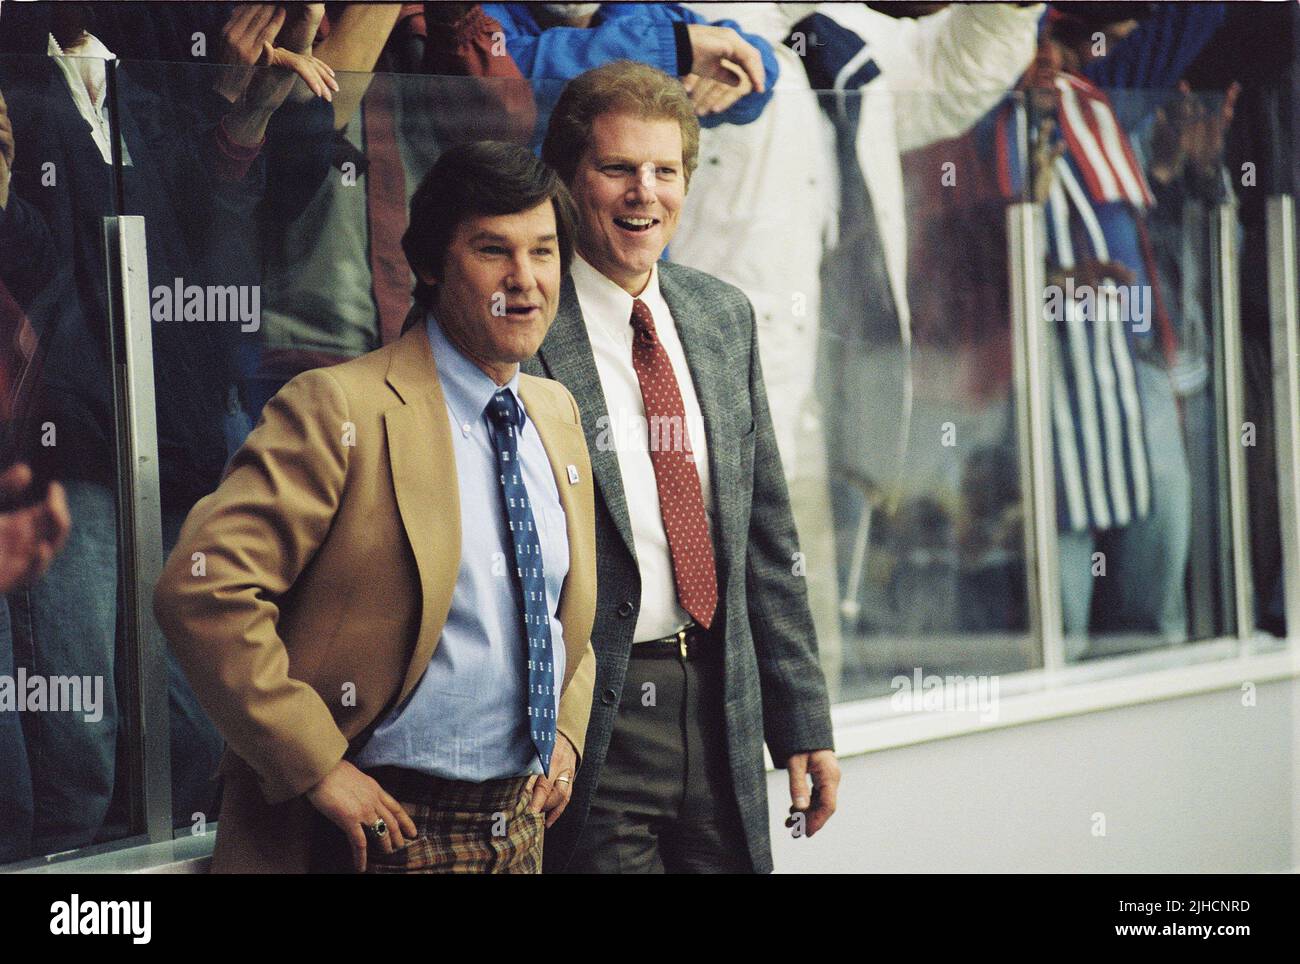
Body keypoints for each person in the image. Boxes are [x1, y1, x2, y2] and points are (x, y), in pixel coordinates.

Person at [154, 140, 598, 874]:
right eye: (494, 251)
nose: (525, 281)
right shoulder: (339, 407)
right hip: (374, 831)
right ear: (429, 264)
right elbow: (203, 588)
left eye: (544, 252)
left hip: (518, 827)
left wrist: (567, 733)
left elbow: (566, 601)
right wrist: (316, 764)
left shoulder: (554, 410)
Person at [521, 60, 837, 874]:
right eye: (618, 168)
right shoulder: (522, 326)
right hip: (593, 716)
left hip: (720, 704)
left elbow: (769, 536)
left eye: (665, 171)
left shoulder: (718, 314)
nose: (644, 193)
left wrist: (801, 717)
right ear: (567, 178)